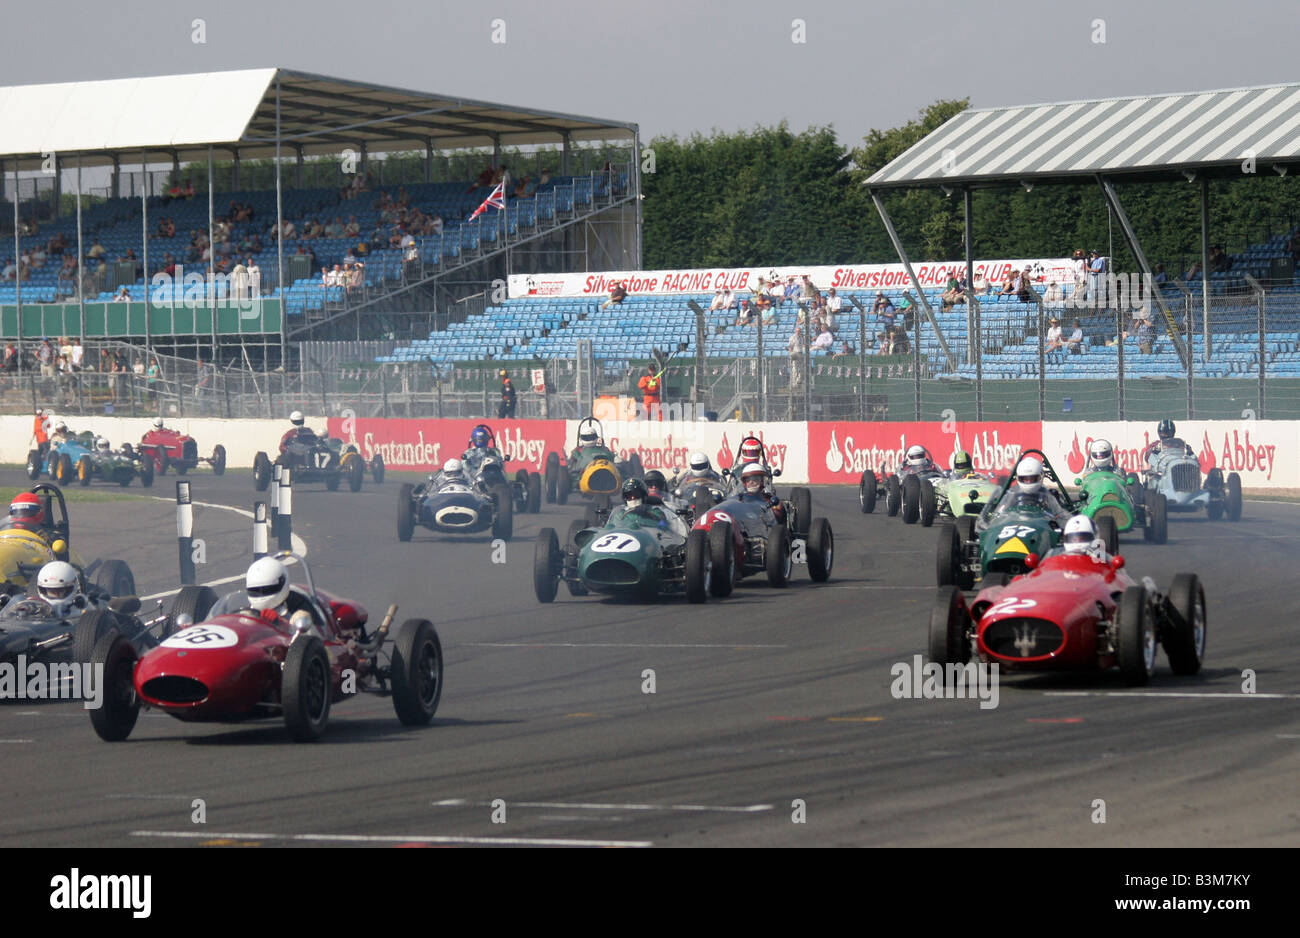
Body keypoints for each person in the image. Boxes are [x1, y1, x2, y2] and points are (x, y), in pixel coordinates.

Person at [244, 556, 325, 634]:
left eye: (267, 589)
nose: (261, 594)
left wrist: (282, 624)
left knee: (300, 616)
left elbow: (314, 638)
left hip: (291, 645)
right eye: (255, 590)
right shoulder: (249, 611)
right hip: (259, 646)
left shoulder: (299, 604)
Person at [989, 456, 1072, 528]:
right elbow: (997, 516)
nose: (1028, 482)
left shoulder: (1047, 494)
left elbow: (1061, 516)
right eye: (1025, 479)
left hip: (1040, 527)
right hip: (1013, 525)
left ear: (1041, 476)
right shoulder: (1011, 494)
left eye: (1032, 478)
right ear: (1018, 478)